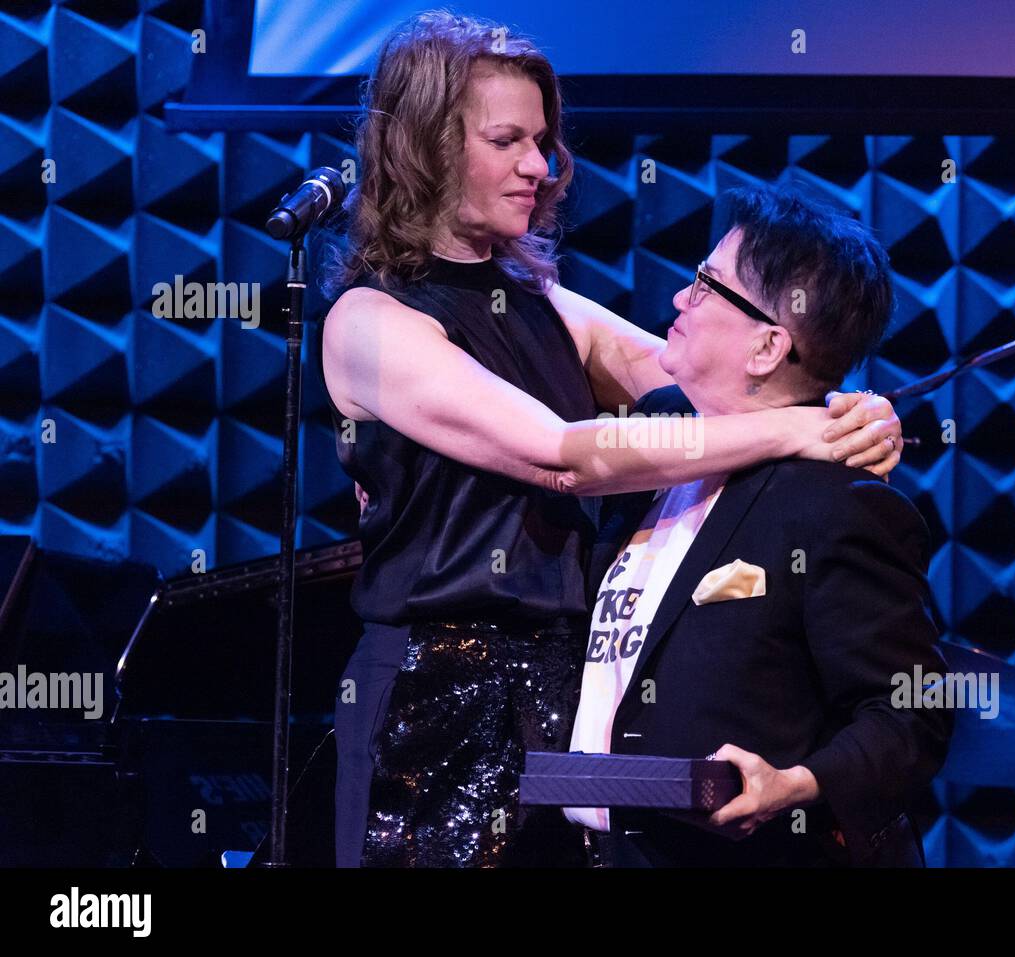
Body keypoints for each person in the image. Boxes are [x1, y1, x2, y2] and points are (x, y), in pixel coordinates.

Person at [317, 10, 905, 867]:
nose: (538, 165)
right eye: (507, 139)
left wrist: (851, 408)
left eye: (543, 140)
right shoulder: (369, 322)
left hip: (565, 696)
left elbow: (707, 377)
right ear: (428, 148)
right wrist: (800, 425)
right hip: (432, 697)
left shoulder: (539, 300)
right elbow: (563, 455)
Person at [565, 185, 952, 866]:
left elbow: (912, 714)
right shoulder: (649, 455)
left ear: (769, 346)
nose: (681, 299)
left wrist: (794, 785)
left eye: (707, 284)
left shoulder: (839, 504)